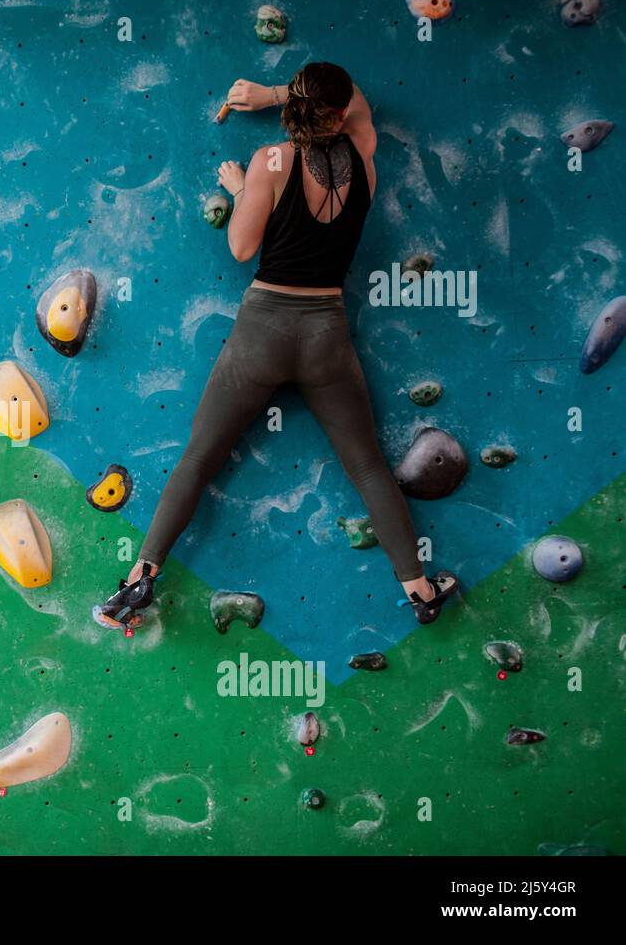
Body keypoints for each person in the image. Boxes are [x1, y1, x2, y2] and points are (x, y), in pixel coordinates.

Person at [95, 62, 457, 633]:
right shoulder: (364, 159)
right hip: (326, 336)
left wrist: (243, 189)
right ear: (338, 116)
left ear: (295, 112)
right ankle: (420, 590)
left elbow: (242, 247)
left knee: (199, 457)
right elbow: (359, 98)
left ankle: (140, 578)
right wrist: (276, 94)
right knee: (366, 467)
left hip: (262, 330)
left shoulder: (270, 161)